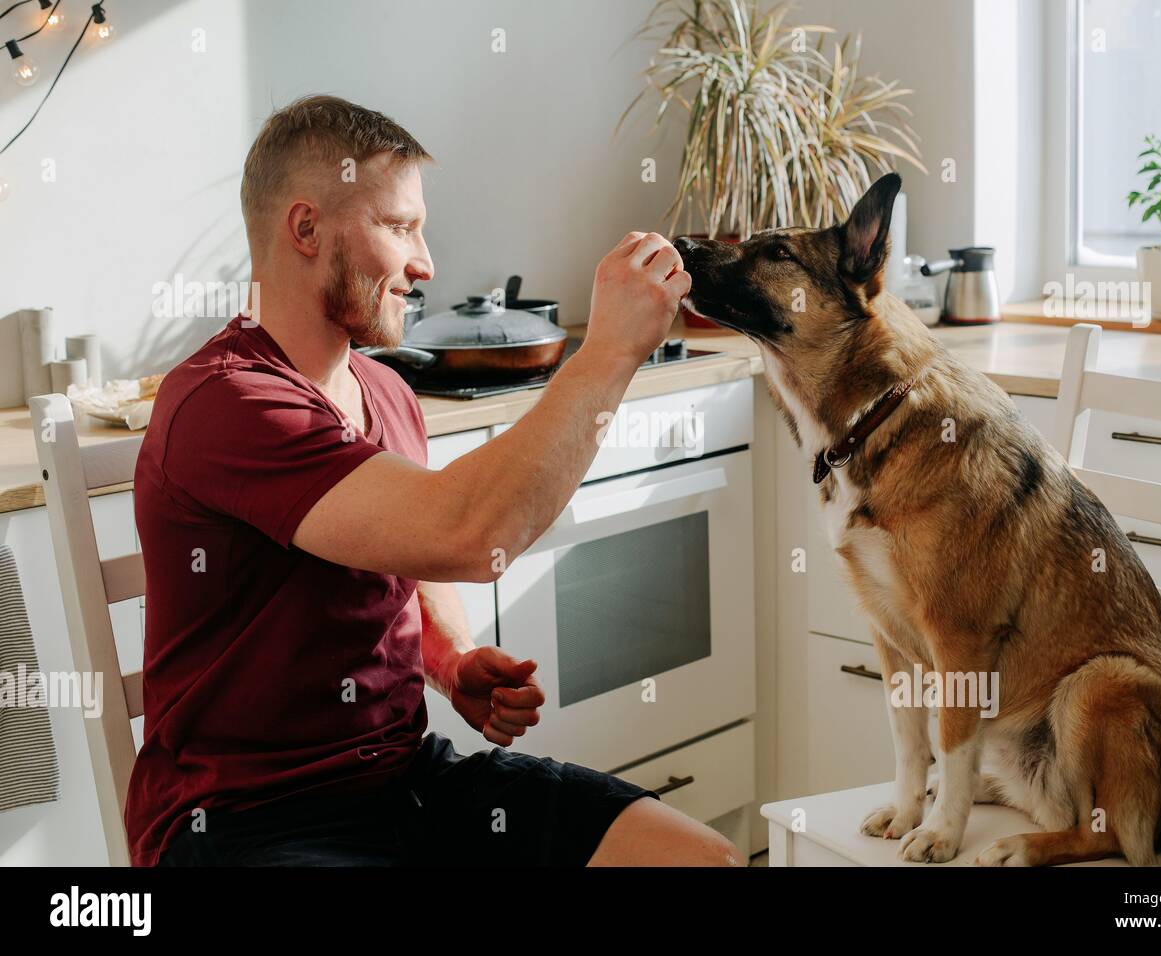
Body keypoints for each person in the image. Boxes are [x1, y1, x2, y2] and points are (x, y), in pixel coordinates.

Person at [127, 94, 740, 867]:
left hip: (406, 787)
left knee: (698, 861)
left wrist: (451, 659)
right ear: (306, 229)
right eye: (399, 227)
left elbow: (409, 560)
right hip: (247, 823)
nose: (426, 263)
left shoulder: (384, 391)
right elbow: (465, 532)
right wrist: (608, 353)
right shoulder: (227, 401)